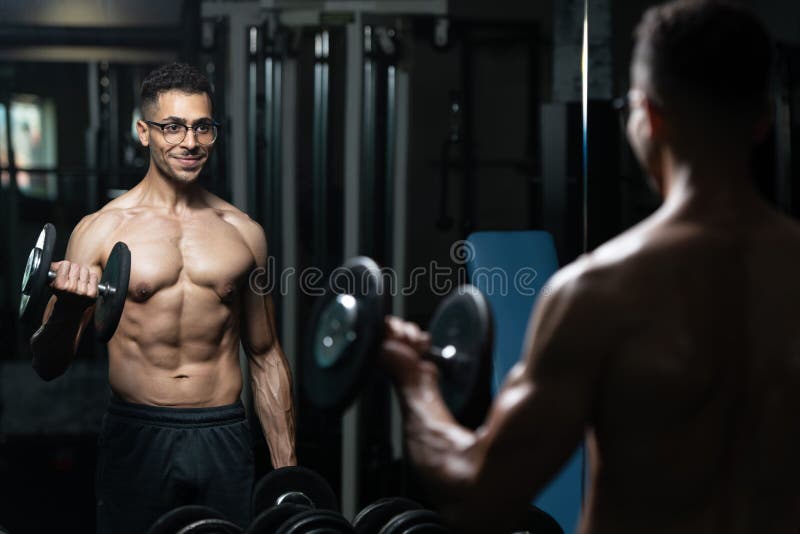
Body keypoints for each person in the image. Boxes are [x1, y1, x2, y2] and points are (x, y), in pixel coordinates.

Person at [381, 1, 800, 533]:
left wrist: (414, 381)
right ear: (764, 119)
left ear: (647, 117)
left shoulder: (600, 292)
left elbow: (476, 492)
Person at [29, 63, 296, 533]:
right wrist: (69, 308)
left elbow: (265, 355)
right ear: (143, 132)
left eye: (202, 127)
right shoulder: (100, 229)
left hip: (223, 433)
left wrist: (288, 479)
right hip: (137, 434)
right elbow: (48, 365)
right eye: (172, 126)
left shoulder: (244, 233)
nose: (190, 142)